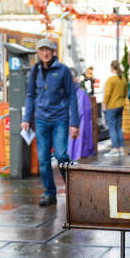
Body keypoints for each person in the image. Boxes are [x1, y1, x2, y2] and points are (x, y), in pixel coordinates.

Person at [21, 38, 79, 206]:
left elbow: (72, 96)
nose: (45, 53)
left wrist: (74, 123)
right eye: (41, 50)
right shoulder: (35, 70)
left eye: (47, 49)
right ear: (38, 53)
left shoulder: (63, 70)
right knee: (43, 159)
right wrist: (26, 118)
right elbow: (30, 95)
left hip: (60, 118)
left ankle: (72, 188)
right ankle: (50, 193)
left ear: (53, 52)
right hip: (41, 120)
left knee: (61, 155)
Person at [102, 59, 127, 155]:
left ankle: (115, 148)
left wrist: (104, 105)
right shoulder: (122, 79)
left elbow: (107, 94)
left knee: (112, 128)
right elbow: (125, 93)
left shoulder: (110, 80)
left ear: (112, 67)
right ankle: (121, 148)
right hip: (120, 105)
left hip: (111, 106)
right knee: (118, 127)